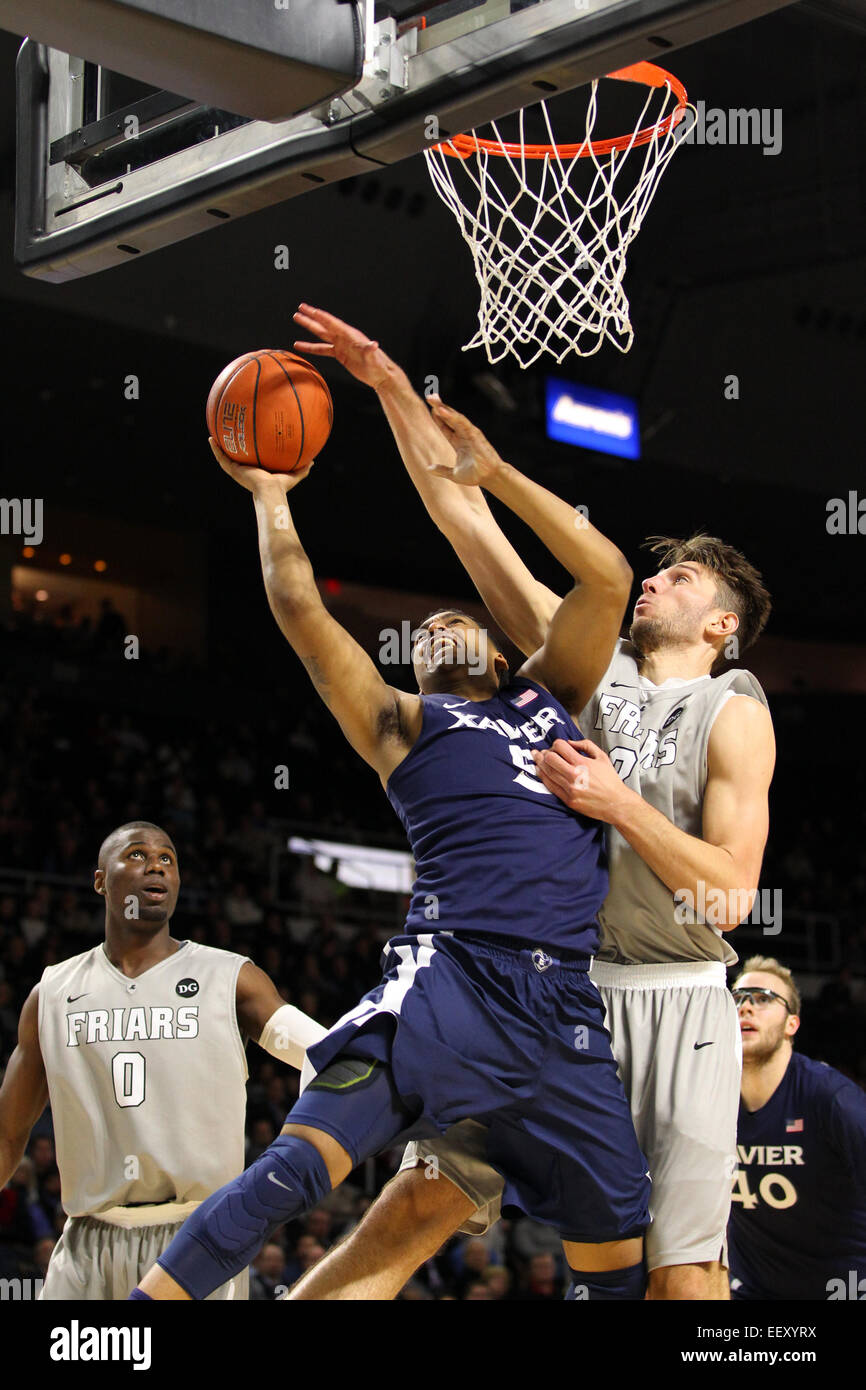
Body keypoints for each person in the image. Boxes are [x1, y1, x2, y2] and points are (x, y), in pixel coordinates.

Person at [282, 306, 776, 1302]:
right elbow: (460, 514)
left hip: (676, 1000)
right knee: (424, 1197)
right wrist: (386, 385)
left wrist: (616, 802)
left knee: (679, 1278)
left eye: (679, 575)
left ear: (719, 623)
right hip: (548, 990)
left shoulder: (732, 707)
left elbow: (727, 899)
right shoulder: (585, 662)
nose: (656, 580)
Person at [130, 369, 652, 1302]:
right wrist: (272, 499)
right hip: (450, 980)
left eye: (460, 619)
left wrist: (493, 473)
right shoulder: (400, 725)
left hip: (567, 1012)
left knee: (619, 1266)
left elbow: (608, 577)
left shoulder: (555, 696)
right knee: (287, 1178)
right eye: (423, 630)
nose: (441, 626)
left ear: (503, 652)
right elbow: (300, 610)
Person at [0, 820, 324, 1299]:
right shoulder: (51, 993)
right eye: (136, 855)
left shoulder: (230, 976)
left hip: (197, 1239)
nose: (155, 864)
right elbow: (8, 1133)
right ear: (99, 881)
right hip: (87, 1242)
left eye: (167, 858)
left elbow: (325, 1052)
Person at [728, 956, 866, 1301]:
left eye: (762, 998)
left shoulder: (834, 1100)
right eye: (738, 998)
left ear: (792, 1024)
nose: (746, 1008)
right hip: (753, 1290)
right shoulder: (703, 1098)